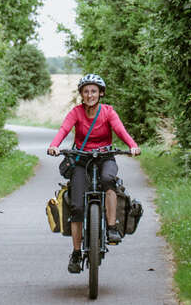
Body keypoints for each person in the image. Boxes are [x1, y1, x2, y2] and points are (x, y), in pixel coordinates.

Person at [46, 73, 140, 273]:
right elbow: (63, 130)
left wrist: (132, 145)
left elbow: (120, 130)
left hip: (106, 157)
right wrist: (54, 145)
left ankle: (112, 227)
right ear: (81, 94)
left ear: (101, 93)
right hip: (82, 159)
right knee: (77, 206)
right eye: (86, 91)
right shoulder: (76, 112)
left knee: (108, 180)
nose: (90, 95)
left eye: (94, 91)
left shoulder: (108, 112)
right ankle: (76, 252)